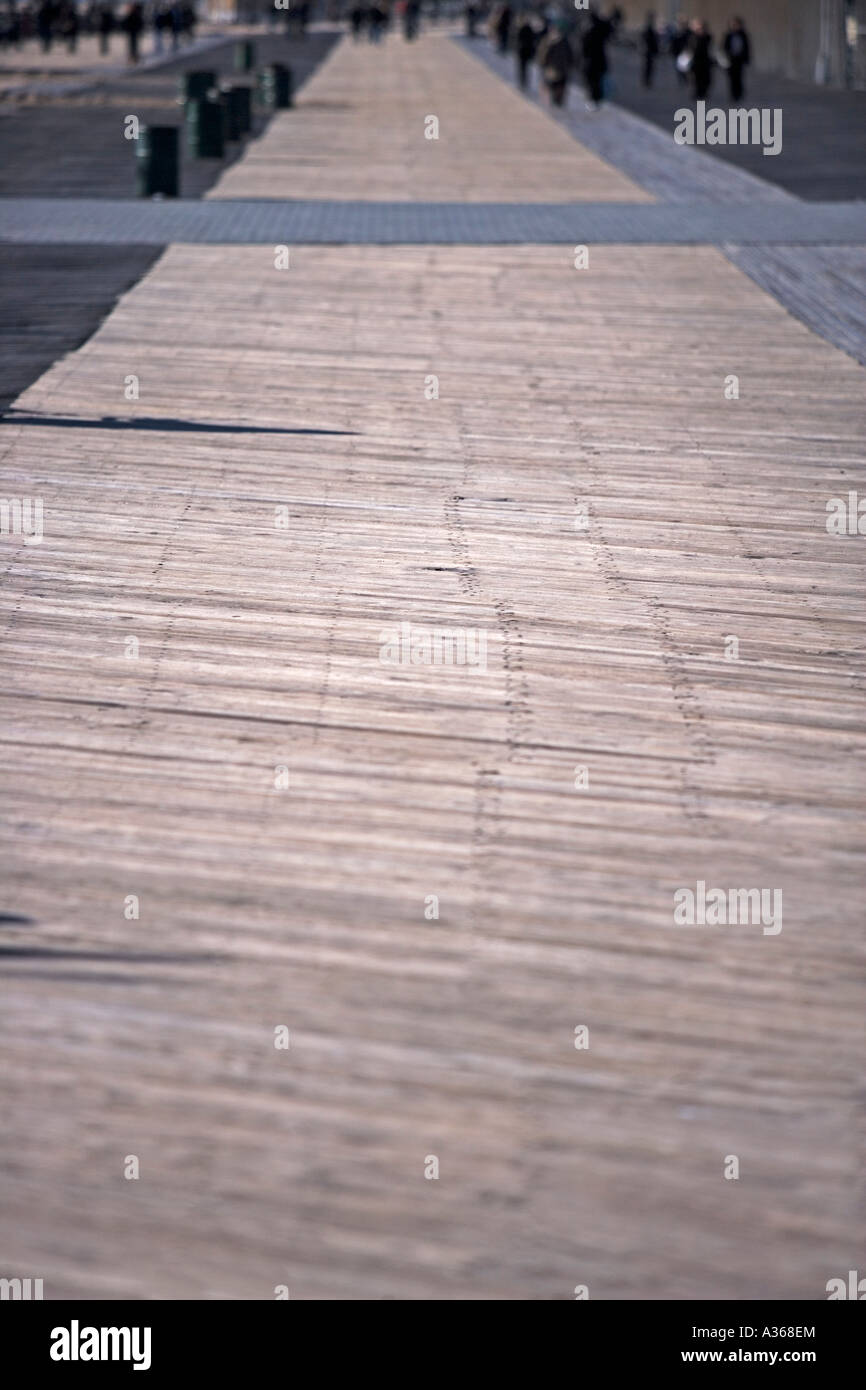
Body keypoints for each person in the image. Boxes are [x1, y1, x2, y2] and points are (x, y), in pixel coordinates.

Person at [581, 8, 612, 110]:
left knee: (591, 82)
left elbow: (584, 47)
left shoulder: (589, 30)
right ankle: (596, 100)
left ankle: (592, 99)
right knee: (597, 81)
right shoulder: (601, 29)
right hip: (599, 60)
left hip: (591, 61)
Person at [537, 19, 571, 108]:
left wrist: (543, 63)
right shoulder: (562, 41)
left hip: (555, 68)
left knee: (556, 87)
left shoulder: (549, 41)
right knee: (557, 87)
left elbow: (543, 54)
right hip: (557, 68)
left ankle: (556, 104)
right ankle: (556, 104)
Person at [723, 15, 750, 102]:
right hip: (731, 60)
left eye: (736, 24)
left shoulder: (743, 35)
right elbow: (724, 47)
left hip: (740, 60)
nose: (734, 26)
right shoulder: (728, 35)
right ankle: (733, 94)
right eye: (733, 24)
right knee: (732, 78)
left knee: (739, 77)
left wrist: (747, 58)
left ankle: (739, 93)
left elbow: (747, 48)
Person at [688, 19, 714, 103]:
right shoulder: (693, 37)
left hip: (705, 61)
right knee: (696, 78)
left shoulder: (707, 37)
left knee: (705, 78)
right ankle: (698, 92)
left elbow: (711, 49)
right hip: (696, 61)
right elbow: (690, 48)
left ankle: (704, 92)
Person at [515, 12, 536, 91]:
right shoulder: (530, 29)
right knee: (525, 68)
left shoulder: (522, 29)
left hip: (523, 52)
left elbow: (518, 40)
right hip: (526, 52)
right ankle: (524, 82)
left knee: (522, 68)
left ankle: (522, 82)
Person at [670, 11, 689, 85]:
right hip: (677, 52)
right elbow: (673, 42)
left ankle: (685, 79)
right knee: (679, 67)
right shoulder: (676, 31)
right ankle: (681, 79)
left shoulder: (687, 32)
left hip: (685, 52)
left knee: (684, 67)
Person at [640, 10, 658, 88]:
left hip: (649, 51)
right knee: (648, 68)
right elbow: (648, 40)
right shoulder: (648, 28)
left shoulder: (649, 28)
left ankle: (647, 81)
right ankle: (646, 82)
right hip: (648, 51)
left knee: (649, 68)